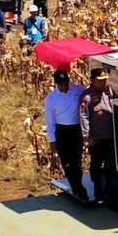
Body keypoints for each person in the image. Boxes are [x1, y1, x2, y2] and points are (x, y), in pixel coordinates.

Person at [45, 70, 88, 202]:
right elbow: (50, 120)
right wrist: (52, 140)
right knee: (67, 161)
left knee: (77, 159)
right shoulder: (51, 98)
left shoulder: (78, 90)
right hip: (62, 131)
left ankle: (78, 185)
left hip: (76, 129)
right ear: (56, 84)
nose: (64, 86)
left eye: (66, 83)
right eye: (61, 84)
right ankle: (76, 186)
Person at [80, 68, 116, 202]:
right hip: (97, 139)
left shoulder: (109, 91)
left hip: (111, 136)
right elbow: (84, 116)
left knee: (110, 164)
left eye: (104, 80)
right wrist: (87, 136)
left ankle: (109, 187)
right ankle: (97, 189)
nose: (103, 83)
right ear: (92, 80)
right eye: (100, 81)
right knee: (96, 165)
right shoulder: (87, 97)